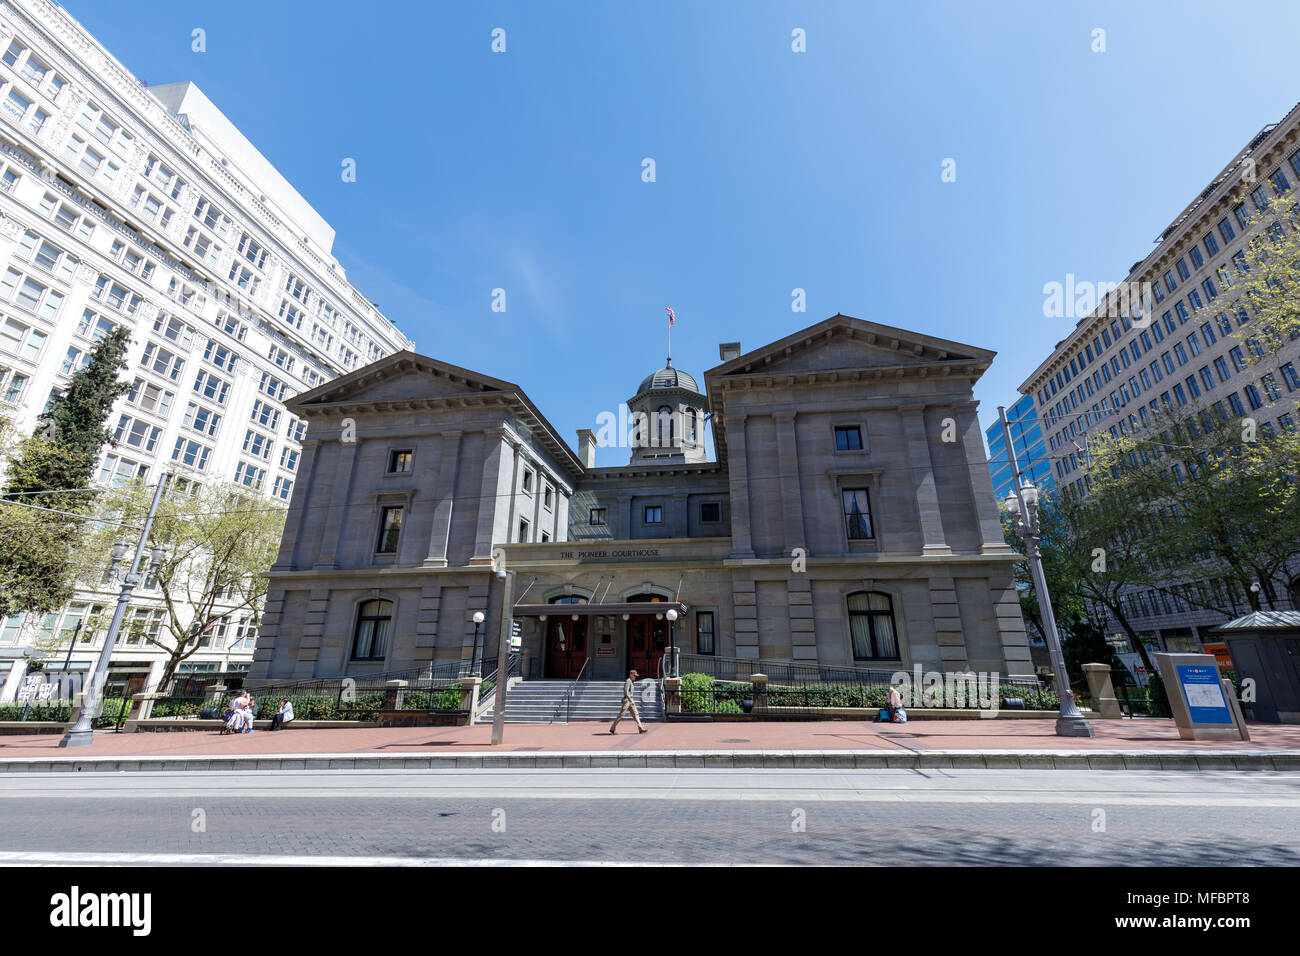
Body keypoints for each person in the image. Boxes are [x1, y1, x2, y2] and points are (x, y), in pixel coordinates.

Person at [609, 669, 647, 734]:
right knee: (621, 715)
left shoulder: (631, 681)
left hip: (630, 700)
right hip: (627, 700)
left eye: (636, 676)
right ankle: (612, 729)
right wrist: (630, 700)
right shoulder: (628, 681)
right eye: (634, 675)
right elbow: (626, 692)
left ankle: (641, 728)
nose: (635, 677)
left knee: (636, 714)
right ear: (631, 675)